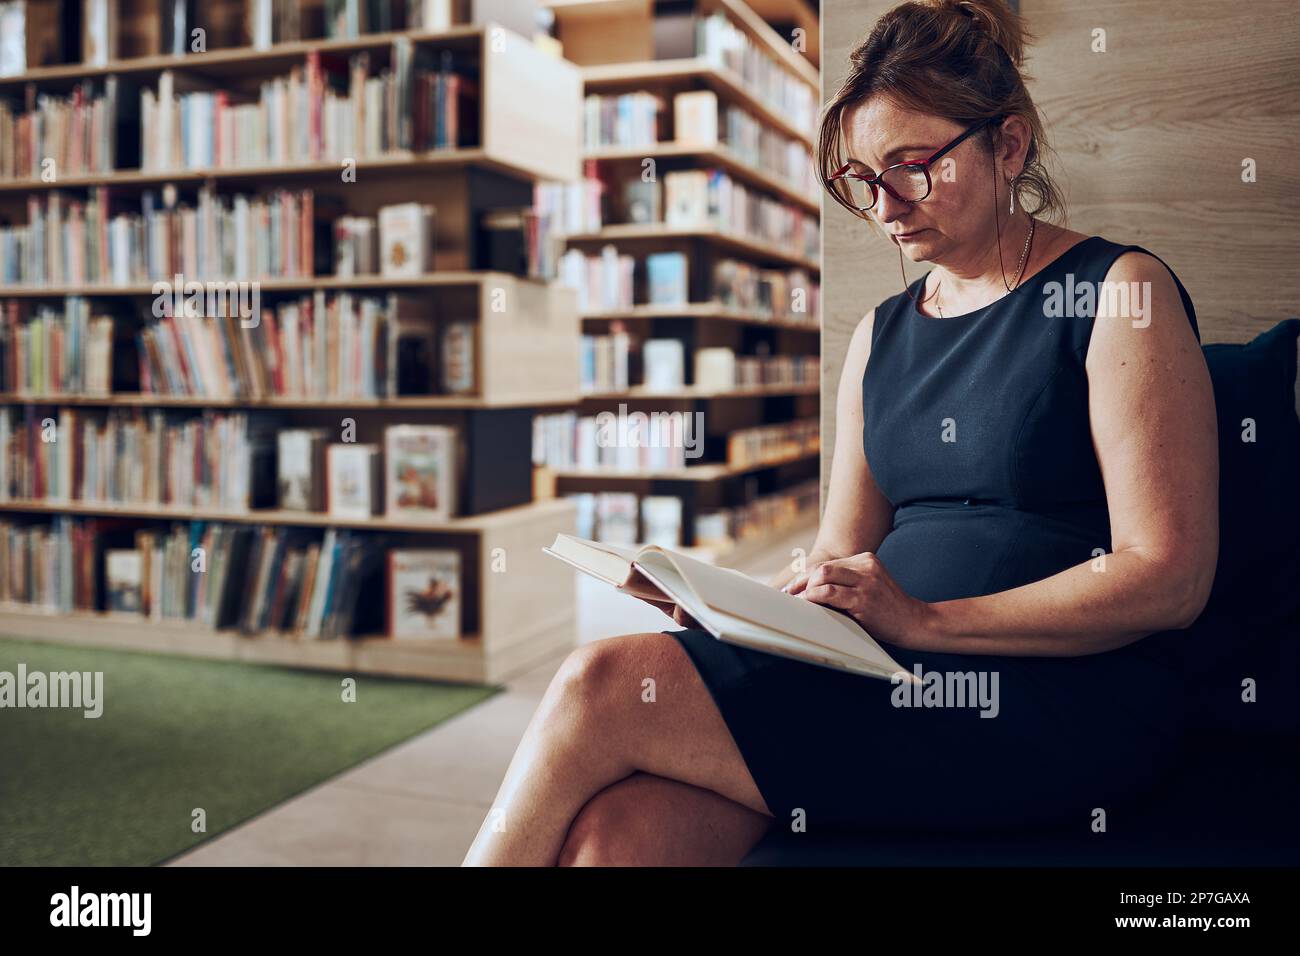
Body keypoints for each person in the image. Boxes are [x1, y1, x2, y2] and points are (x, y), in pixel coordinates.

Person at [462, 0, 1218, 866]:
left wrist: (930, 621)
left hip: (1058, 694)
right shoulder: (880, 334)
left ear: (1008, 145)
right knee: (616, 838)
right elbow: (835, 552)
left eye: (913, 167)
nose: (885, 206)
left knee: (597, 684)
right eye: (862, 178)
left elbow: (1169, 577)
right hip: (885, 668)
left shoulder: (1119, 290)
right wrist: (739, 616)